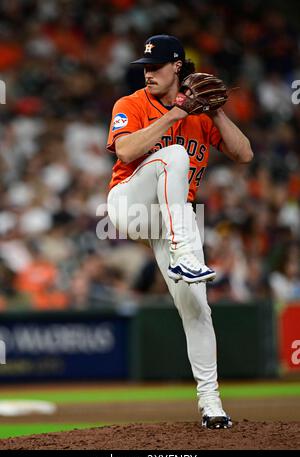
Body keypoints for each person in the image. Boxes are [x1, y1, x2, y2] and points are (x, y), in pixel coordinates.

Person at [106, 35, 253, 429]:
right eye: (145, 67)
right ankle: (185, 255)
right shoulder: (131, 103)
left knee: (197, 309)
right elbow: (124, 152)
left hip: (175, 218)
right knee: (174, 155)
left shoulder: (203, 116)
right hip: (130, 204)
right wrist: (174, 114)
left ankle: (212, 404)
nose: (148, 72)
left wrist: (216, 112)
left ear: (178, 67)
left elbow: (244, 154)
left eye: (156, 66)